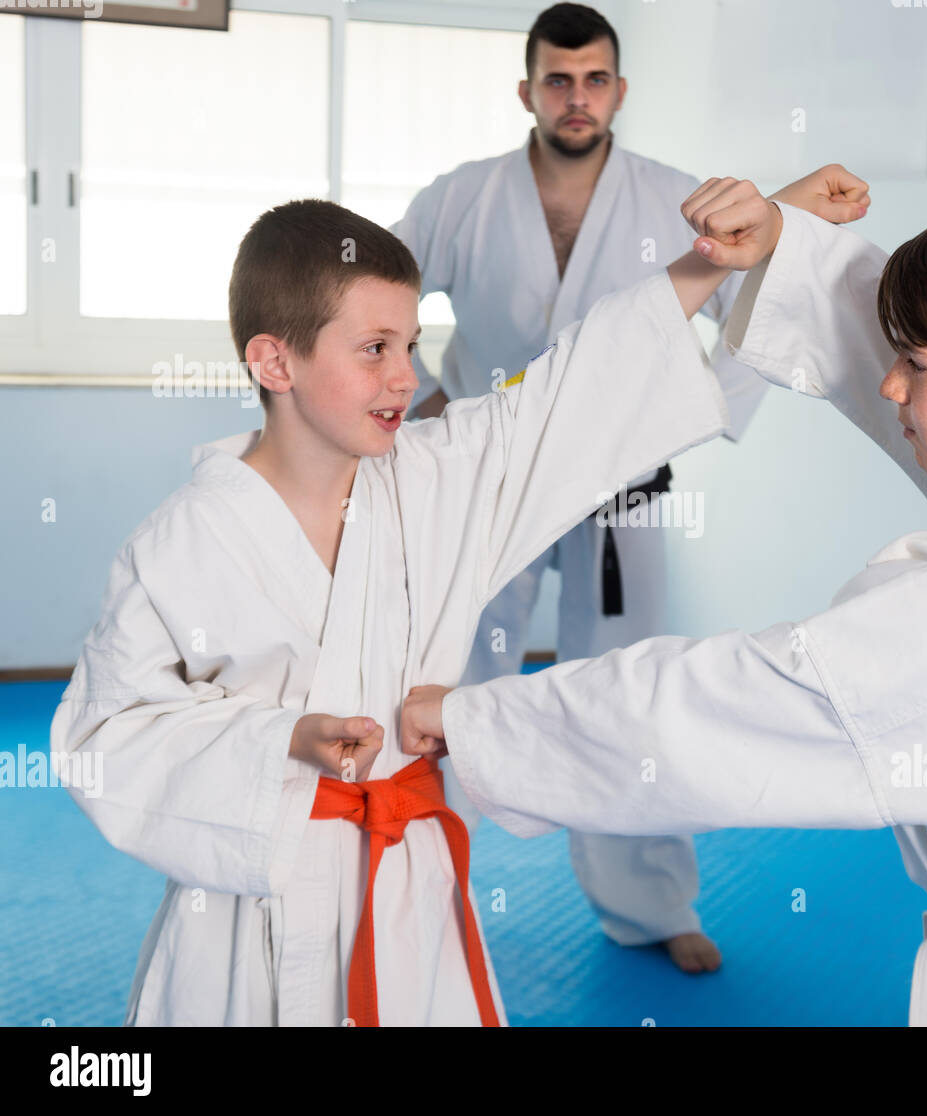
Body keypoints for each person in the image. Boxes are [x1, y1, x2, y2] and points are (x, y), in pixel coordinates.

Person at [400, 172, 927, 1026]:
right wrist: (791, 249)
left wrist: (480, 721)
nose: (890, 384)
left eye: (916, 367)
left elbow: (715, 710)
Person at [48, 190, 759, 1026]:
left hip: (408, 877)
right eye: (375, 348)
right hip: (249, 899)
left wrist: (703, 261)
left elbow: (564, 400)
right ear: (275, 363)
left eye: (414, 345)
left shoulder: (434, 479)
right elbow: (103, 734)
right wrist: (283, 741)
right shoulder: (182, 541)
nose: (406, 378)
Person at [390, 2, 767, 973]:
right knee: (454, 685)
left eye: (594, 79)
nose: (576, 97)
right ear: (526, 90)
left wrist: (696, 405)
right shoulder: (461, 198)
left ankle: (649, 905)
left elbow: (760, 302)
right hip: (487, 481)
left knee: (632, 688)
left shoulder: (673, 200)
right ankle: (426, 893)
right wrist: (422, 395)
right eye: (557, 80)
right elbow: (375, 296)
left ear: (619, 91)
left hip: (623, 487)